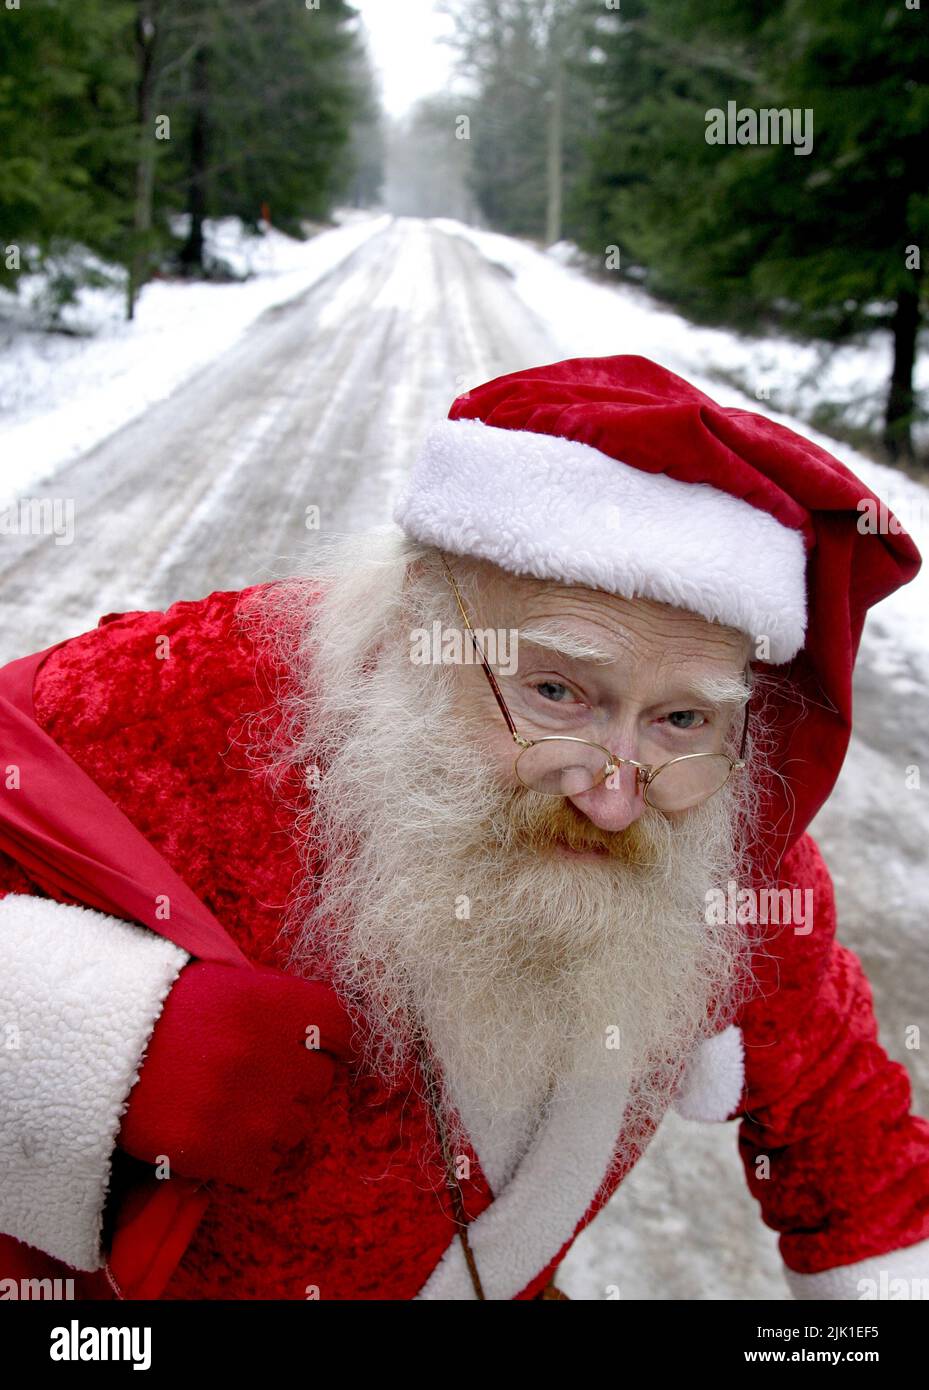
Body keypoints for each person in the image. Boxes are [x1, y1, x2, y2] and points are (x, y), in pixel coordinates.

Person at [1, 354, 927, 1301]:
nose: (612, 798)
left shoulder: (723, 838)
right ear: (413, 630)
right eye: (556, 692)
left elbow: (852, 1141)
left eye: (680, 719)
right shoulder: (189, 701)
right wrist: (91, 1032)